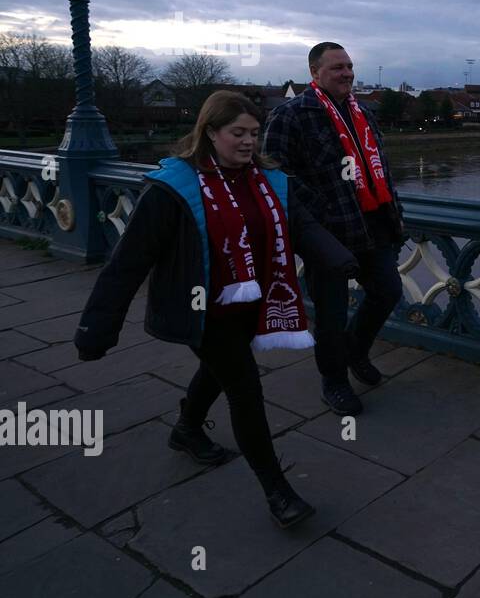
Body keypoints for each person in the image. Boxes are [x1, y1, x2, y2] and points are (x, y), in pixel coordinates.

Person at [75, 92, 357, 527]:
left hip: (252, 303)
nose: (248, 142)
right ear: (209, 132)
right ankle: (277, 491)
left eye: (254, 133)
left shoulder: (267, 180)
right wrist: (98, 326)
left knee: (219, 371)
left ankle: (186, 429)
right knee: (245, 388)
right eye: (237, 133)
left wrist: (339, 259)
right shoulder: (173, 188)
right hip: (202, 310)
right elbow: (129, 261)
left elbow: (300, 224)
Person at [265, 43, 407, 417]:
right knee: (331, 312)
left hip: (374, 223)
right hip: (327, 231)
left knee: (388, 291)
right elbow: (275, 174)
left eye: (349, 66)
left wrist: (396, 209)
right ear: (315, 74)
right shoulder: (292, 114)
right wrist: (320, 212)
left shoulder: (363, 111)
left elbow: (380, 166)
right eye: (336, 67)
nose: (346, 73)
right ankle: (335, 381)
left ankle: (354, 352)